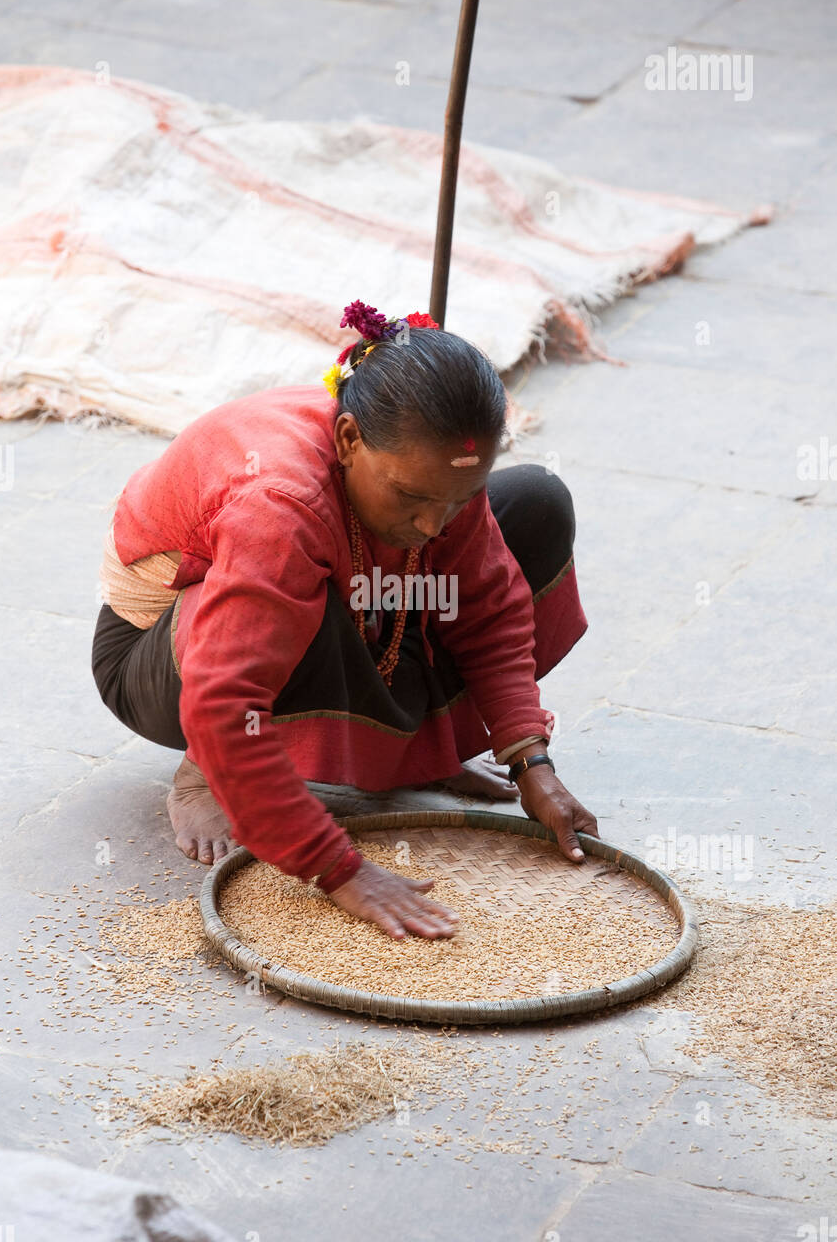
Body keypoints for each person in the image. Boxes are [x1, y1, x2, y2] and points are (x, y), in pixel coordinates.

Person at [92, 300, 598, 941]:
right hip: (158, 659)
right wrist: (340, 870)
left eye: (458, 499)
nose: (432, 524)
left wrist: (533, 763)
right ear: (349, 439)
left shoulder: (443, 468)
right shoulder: (280, 504)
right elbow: (225, 698)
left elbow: (488, 608)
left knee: (535, 502)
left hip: (351, 595)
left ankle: (413, 750)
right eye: (412, 498)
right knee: (298, 588)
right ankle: (204, 772)